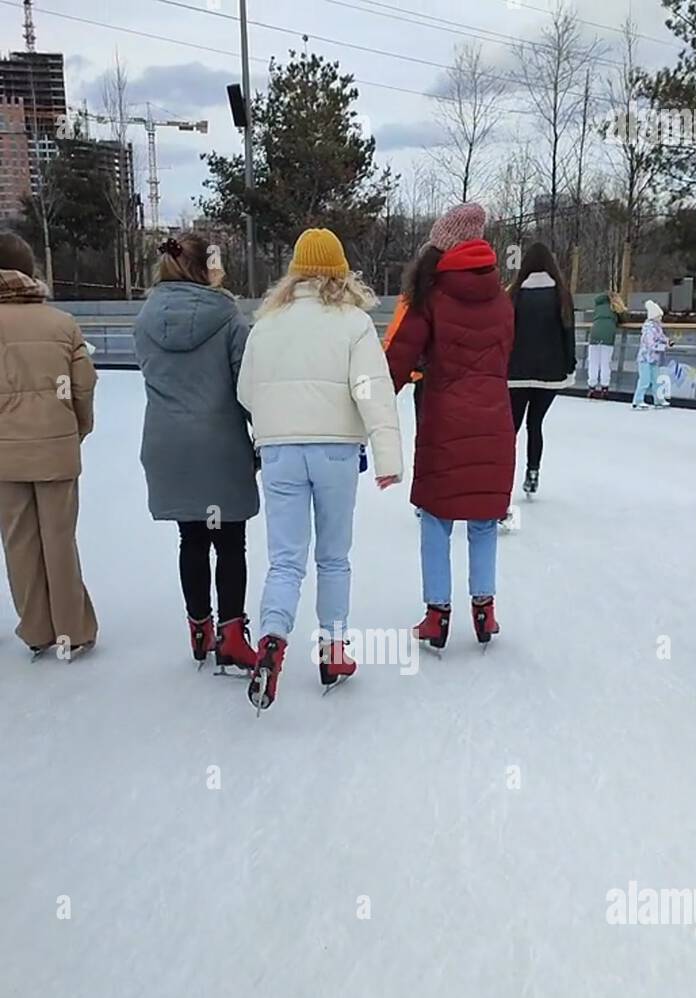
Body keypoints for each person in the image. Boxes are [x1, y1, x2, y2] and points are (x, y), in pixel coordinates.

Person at [238, 227, 402, 710]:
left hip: (280, 453)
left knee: (285, 559)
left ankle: (271, 641)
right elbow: (372, 390)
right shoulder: (352, 323)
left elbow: (247, 391)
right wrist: (388, 456)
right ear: (339, 272)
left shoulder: (266, 324)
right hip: (336, 453)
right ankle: (333, 652)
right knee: (333, 557)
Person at [385, 202, 515, 651]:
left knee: (436, 520)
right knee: (483, 521)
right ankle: (485, 611)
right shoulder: (502, 299)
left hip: (445, 421)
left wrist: (368, 402)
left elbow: (397, 362)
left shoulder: (432, 297)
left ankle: (436, 616)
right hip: (496, 419)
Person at [134, 232, 259, 670]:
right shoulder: (227, 315)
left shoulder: (145, 316)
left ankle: (198, 626)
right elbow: (247, 385)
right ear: (206, 267)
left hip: (168, 443)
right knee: (229, 542)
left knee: (191, 538)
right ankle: (231, 634)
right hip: (219, 442)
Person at [0, 231, 98, 659]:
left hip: (4, 454)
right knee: (59, 538)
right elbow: (82, 387)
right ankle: (72, 630)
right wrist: (78, 428)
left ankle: (36, 628)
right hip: (56, 447)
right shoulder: (62, 323)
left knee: (19, 541)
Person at [507, 242, 576, 499]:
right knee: (535, 424)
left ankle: (503, 475)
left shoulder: (513, 295)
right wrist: (569, 365)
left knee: (511, 427)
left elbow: (504, 335)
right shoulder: (561, 294)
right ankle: (533, 472)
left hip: (516, 372)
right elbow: (569, 333)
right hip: (550, 373)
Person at [632, 300, 671, 410]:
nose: (661, 319)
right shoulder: (648, 329)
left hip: (654, 358)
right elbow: (651, 345)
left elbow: (661, 337)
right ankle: (638, 400)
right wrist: (663, 347)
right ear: (654, 316)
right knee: (644, 380)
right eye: (659, 316)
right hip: (645, 358)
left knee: (656, 380)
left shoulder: (657, 327)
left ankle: (658, 400)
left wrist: (667, 341)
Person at [587, 290, 627, 399]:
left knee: (593, 362)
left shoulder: (598, 306)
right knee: (605, 363)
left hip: (595, 333)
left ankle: (592, 387)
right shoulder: (615, 306)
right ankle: (604, 388)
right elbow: (624, 318)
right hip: (608, 335)